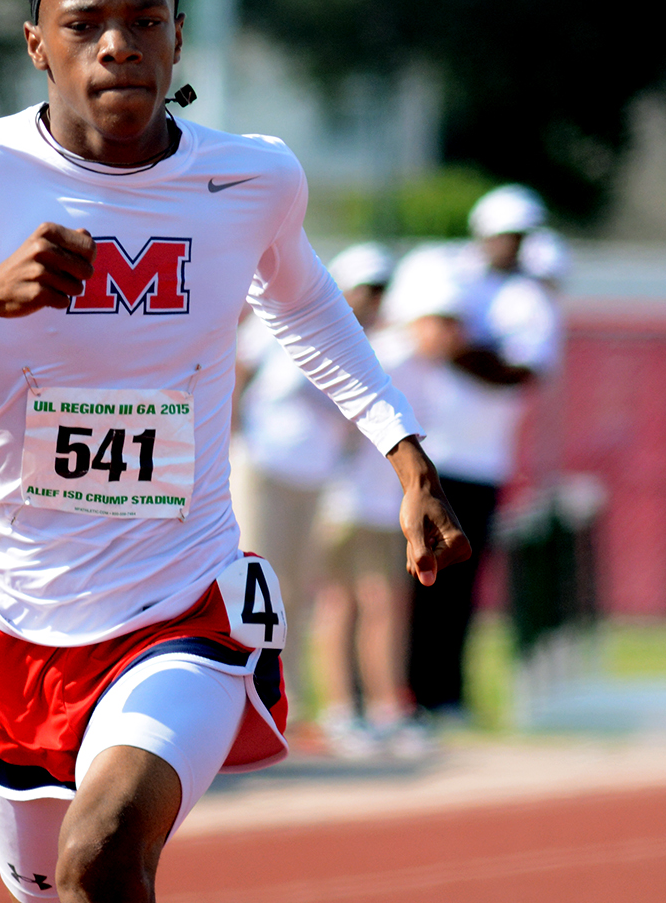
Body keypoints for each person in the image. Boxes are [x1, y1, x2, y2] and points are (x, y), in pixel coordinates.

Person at [0, 0, 468, 903]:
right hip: (14, 623)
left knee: (104, 853)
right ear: (37, 42)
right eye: (86, 24)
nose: (117, 45)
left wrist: (405, 453)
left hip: (183, 604)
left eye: (145, 22)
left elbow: (304, 306)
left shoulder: (252, 179)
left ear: (177, 42)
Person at [388, 184, 561, 717]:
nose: (508, 245)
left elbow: (519, 372)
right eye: (501, 235)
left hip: (480, 462)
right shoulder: (452, 274)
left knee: (457, 584)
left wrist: (454, 349)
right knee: (408, 584)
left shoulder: (528, 300)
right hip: (422, 456)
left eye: (517, 236)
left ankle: (445, 693)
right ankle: (405, 692)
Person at [229, 242, 394, 709]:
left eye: (379, 292)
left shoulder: (365, 348)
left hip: (314, 478)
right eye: (365, 289)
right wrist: (238, 437)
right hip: (265, 466)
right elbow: (238, 369)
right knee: (252, 581)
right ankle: (237, 689)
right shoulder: (287, 318)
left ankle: (287, 695)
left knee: (295, 590)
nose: (371, 301)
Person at [313, 251, 457, 760]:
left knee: (380, 606)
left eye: (455, 323)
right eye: (441, 321)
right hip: (348, 502)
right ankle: (342, 712)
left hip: (380, 506)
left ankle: (382, 710)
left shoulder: (424, 366)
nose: (450, 334)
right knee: (344, 604)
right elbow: (338, 411)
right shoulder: (389, 356)